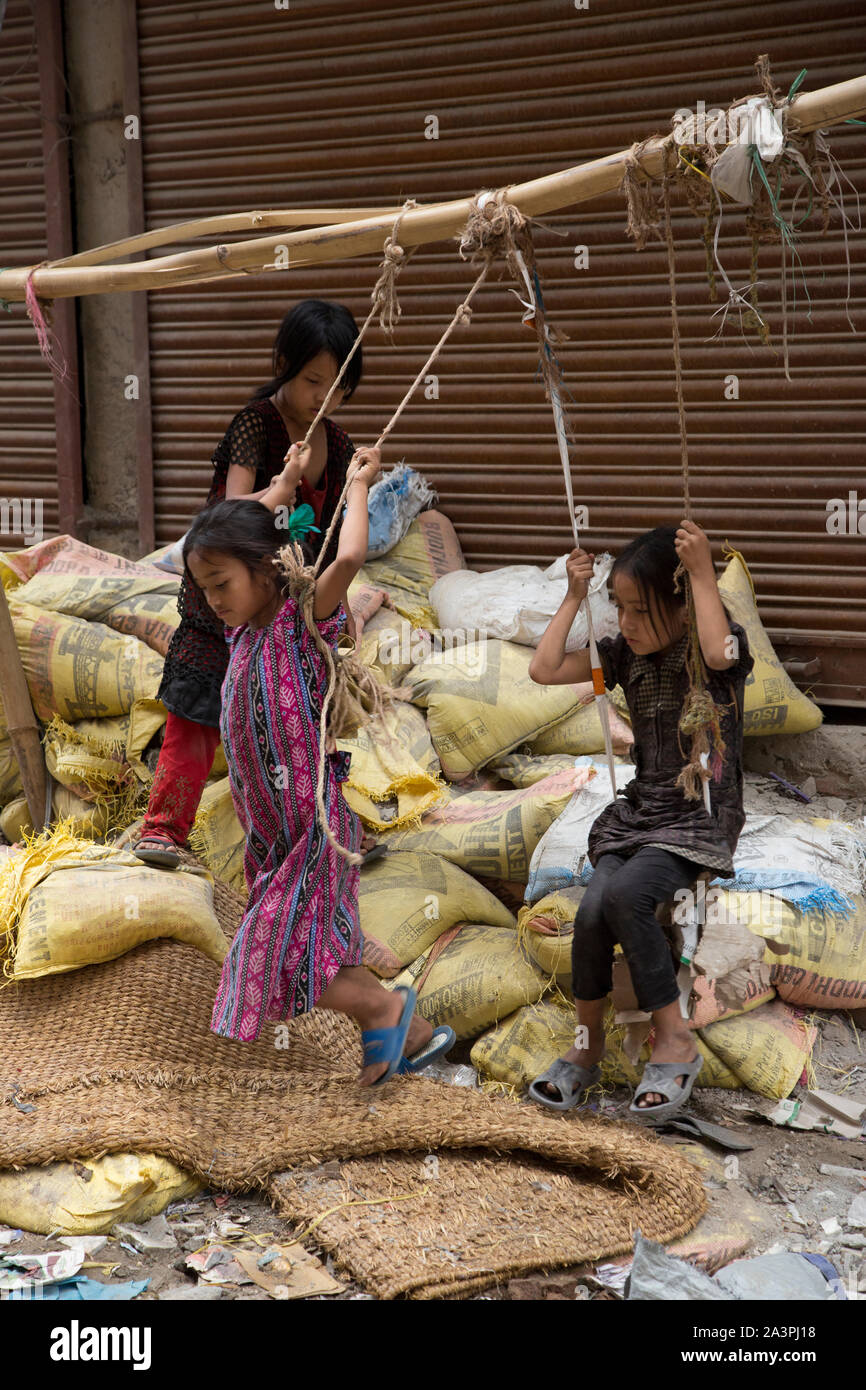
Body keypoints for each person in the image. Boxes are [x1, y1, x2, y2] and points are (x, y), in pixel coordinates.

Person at [181, 441, 455, 1085]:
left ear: (267, 570)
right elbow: (252, 519)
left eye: (222, 584)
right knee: (322, 951)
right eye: (205, 588)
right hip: (273, 839)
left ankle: (384, 1007)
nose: (214, 599)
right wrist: (282, 486)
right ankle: (409, 1032)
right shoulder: (241, 631)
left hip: (312, 830)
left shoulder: (303, 617)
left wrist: (359, 483)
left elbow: (352, 554)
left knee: (268, 964)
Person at [526, 521, 754, 1121]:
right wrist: (575, 597)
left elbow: (714, 647)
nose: (624, 623)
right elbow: (544, 670)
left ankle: (674, 1039)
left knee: (629, 895)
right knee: (594, 908)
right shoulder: (622, 661)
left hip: (695, 816)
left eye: (639, 609)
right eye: (618, 608)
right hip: (641, 811)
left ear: (680, 607)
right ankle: (588, 1046)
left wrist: (702, 573)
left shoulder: (716, 661)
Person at [135, 300, 365, 869]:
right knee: (197, 704)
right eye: (313, 381)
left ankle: (315, 830)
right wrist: (279, 490)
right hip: (226, 592)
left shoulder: (337, 446)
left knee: (296, 716)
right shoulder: (255, 425)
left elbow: (336, 544)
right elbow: (228, 517)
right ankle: (164, 829)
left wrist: (342, 608)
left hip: (286, 612)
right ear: (285, 363)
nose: (322, 399)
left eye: (336, 389)